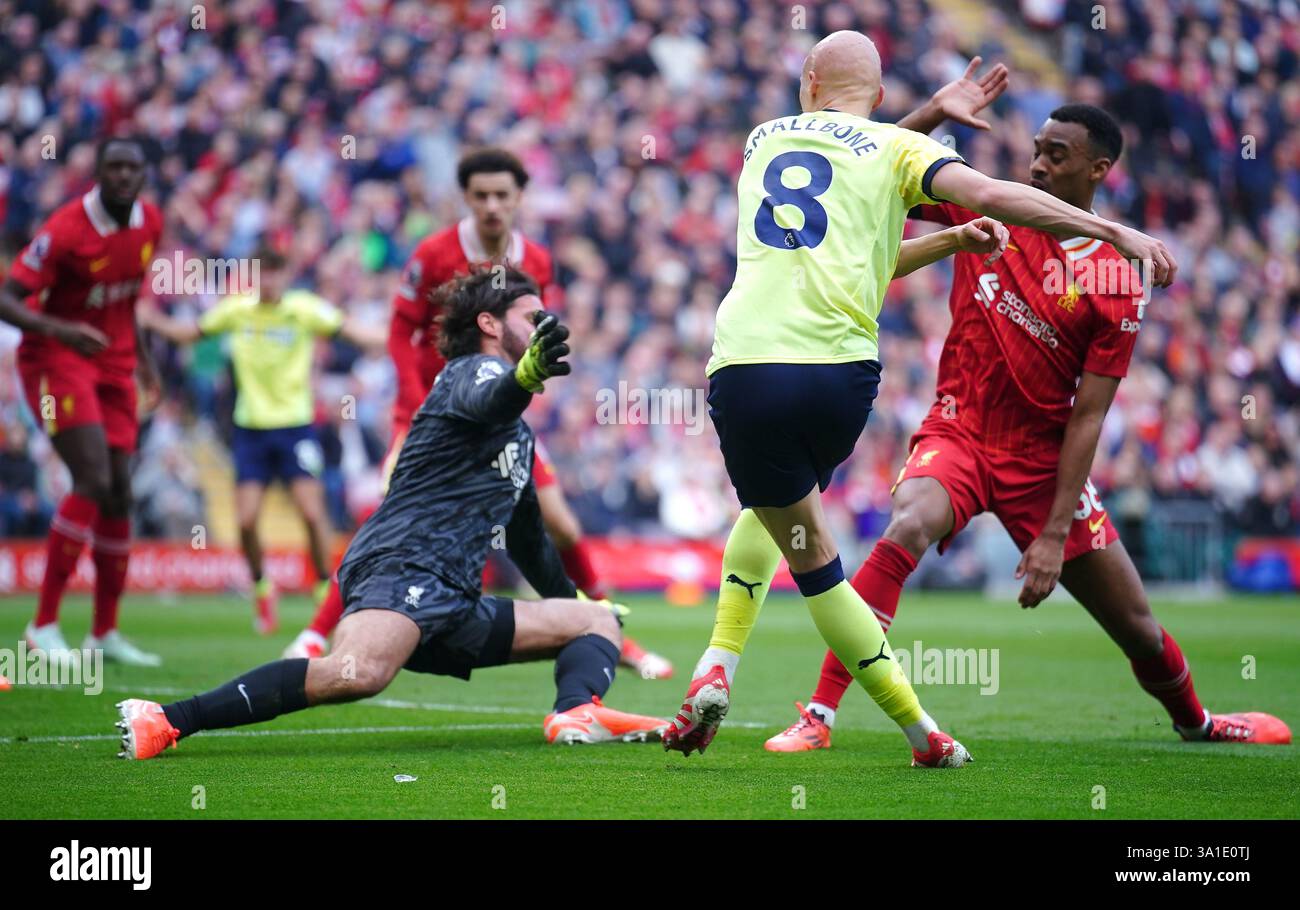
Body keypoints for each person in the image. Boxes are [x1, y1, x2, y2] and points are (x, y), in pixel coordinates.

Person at [663, 31, 1175, 767]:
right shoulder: (894, 149)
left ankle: (808, 695)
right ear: (877, 97)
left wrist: (934, 114)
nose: (1037, 160)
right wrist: (1111, 228)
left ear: (809, 81)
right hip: (842, 380)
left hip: (748, 366)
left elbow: (858, 175)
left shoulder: (763, 139)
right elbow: (970, 192)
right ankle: (834, 705)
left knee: (810, 557)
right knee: (784, 516)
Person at [764, 103, 1291, 751]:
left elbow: (1089, 414)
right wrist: (931, 111)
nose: (1038, 163)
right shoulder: (987, 206)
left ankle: (1197, 722)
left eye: (1057, 154)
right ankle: (820, 715)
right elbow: (872, 161)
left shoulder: (1113, 278)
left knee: (1137, 627)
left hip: (1042, 461)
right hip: (958, 431)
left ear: (1098, 169)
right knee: (907, 524)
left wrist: (1054, 534)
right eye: (1037, 148)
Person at [115, 268, 669, 759]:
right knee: (358, 674)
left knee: (598, 620)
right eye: (531, 315)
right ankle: (165, 718)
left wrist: (575, 602)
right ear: (490, 324)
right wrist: (523, 377)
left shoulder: (519, 439)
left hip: (455, 600)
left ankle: (576, 713)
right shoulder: (469, 373)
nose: (544, 324)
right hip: (403, 566)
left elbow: (530, 544)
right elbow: (492, 397)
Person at [285, 148, 673, 680]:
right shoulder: (435, 252)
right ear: (466, 198)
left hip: (500, 410)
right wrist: (412, 401)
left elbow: (535, 332)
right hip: (437, 413)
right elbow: (401, 330)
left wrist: (528, 385)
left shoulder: (537, 260)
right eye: (481, 195)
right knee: (391, 510)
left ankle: (608, 625)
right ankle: (316, 631)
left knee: (560, 523)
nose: (492, 205)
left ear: (519, 199)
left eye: (502, 196)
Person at [139, 245, 384, 633]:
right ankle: (261, 587)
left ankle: (325, 587)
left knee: (311, 512)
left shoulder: (303, 308)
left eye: (276, 272)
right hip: (251, 429)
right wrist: (151, 319)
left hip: (295, 427)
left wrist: (402, 332)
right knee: (246, 520)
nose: (269, 280)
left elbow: (355, 332)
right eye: (263, 272)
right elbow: (189, 333)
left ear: (286, 275)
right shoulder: (237, 310)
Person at [0, 137, 164, 667]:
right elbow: (6, 297)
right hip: (56, 360)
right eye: (114, 167)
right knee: (92, 478)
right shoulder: (66, 230)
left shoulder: (150, 222)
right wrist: (59, 329)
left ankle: (104, 633)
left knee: (118, 493)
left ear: (143, 175)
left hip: (114, 363)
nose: (123, 176)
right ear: (98, 171)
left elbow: (127, 298)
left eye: (132, 168)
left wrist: (145, 363)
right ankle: (42, 624)